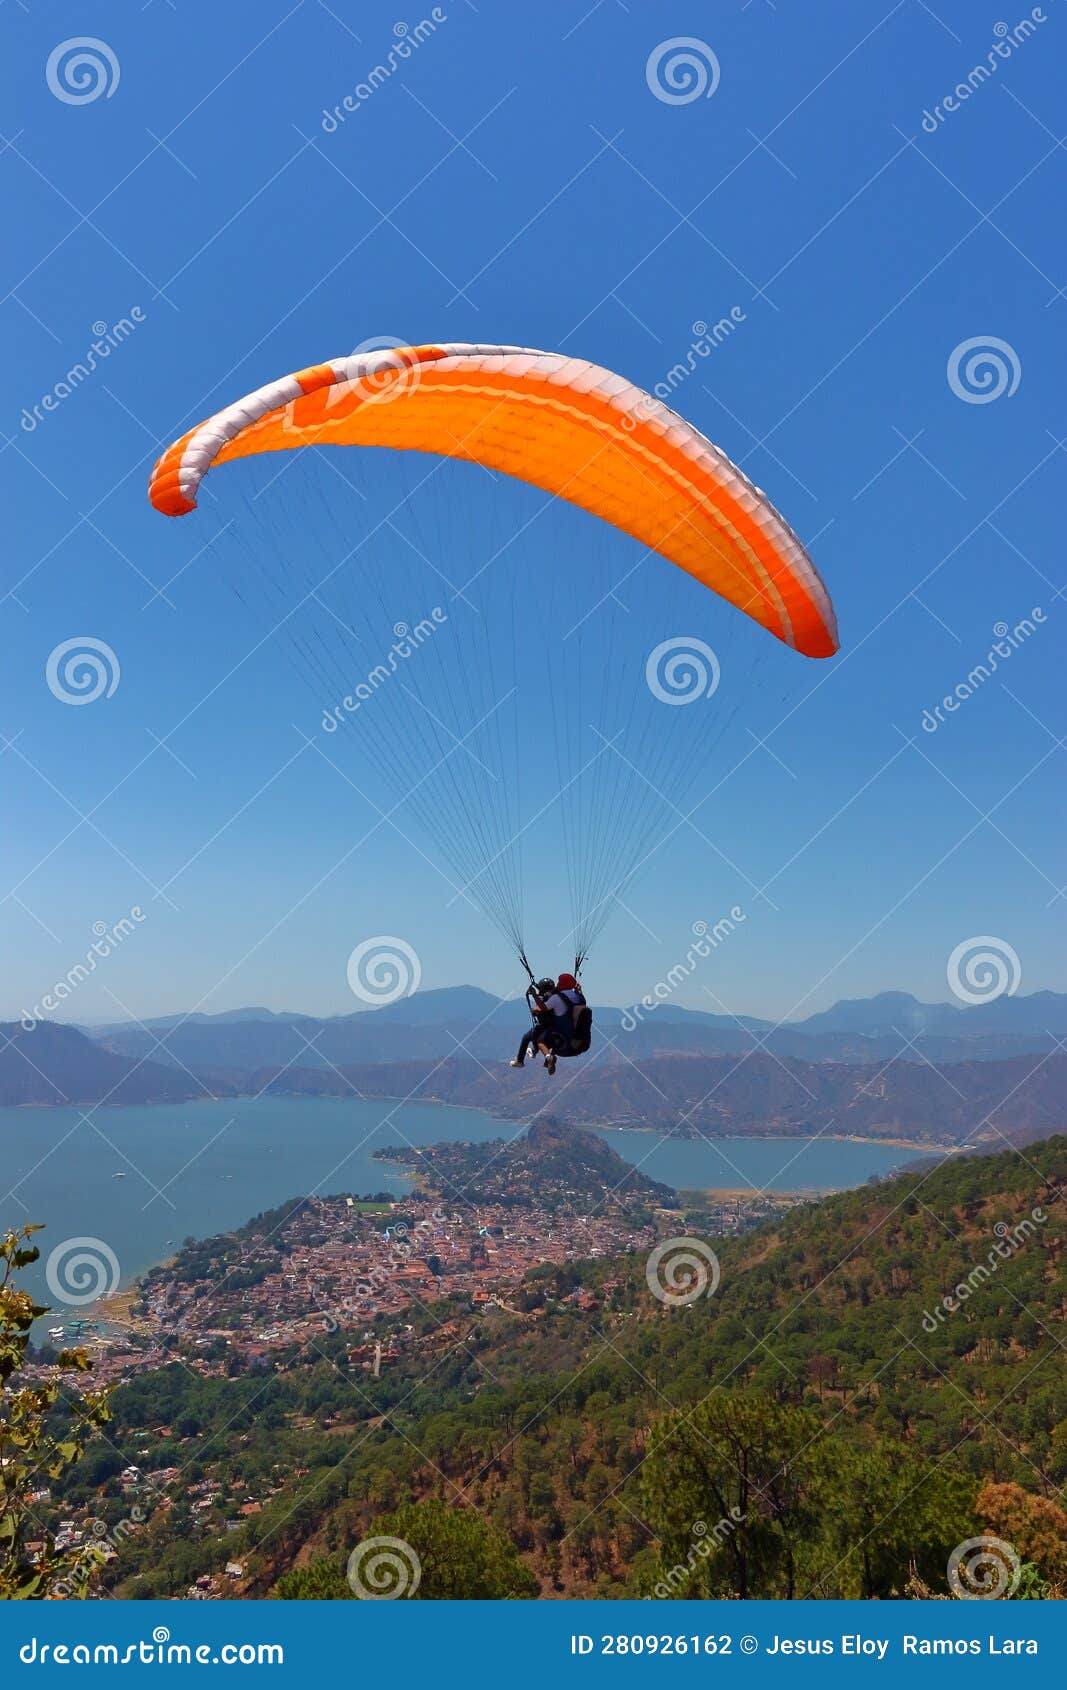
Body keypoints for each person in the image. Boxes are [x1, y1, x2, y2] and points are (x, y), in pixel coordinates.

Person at [510, 973, 589, 1075]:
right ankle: (541, 1054)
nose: (557, 984)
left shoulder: (557, 998)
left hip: (560, 1033)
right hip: (578, 1038)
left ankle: (544, 1057)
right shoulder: (580, 997)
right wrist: (578, 991)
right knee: (546, 1036)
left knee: (539, 1040)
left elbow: (543, 1008)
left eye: (559, 982)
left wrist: (534, 995)